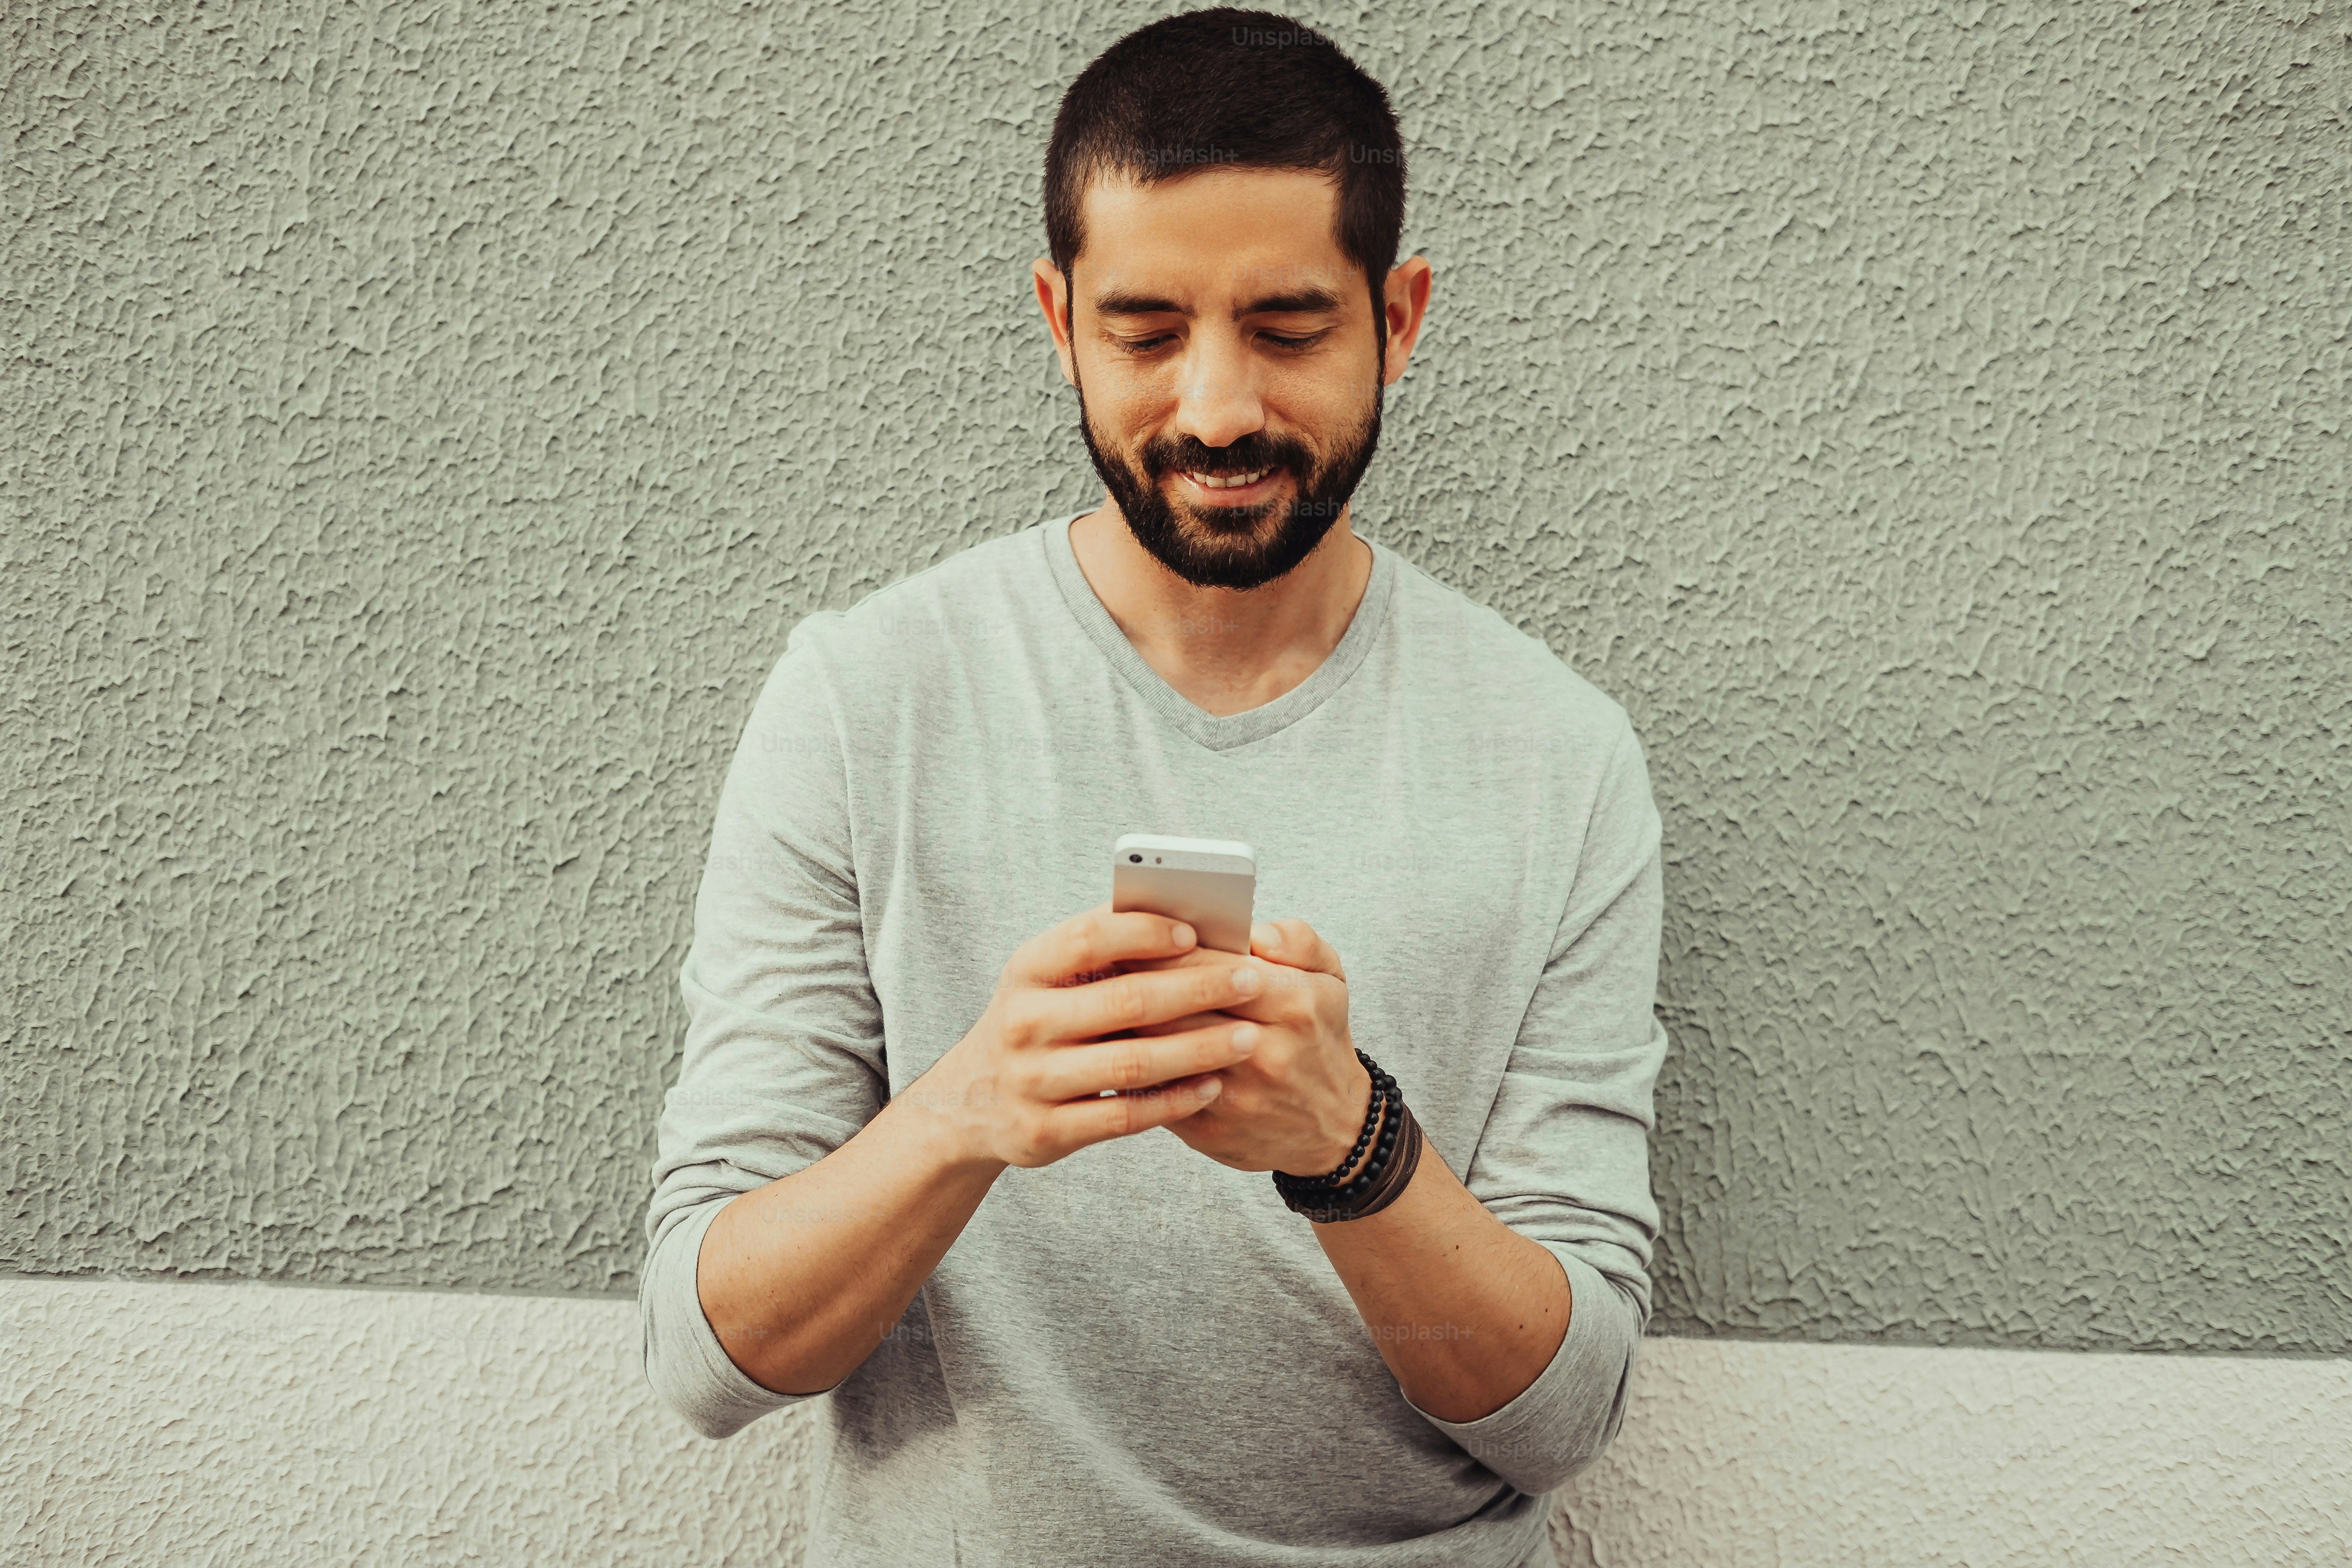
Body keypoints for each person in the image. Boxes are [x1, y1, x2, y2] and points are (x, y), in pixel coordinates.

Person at [639, 10, 1669, 1565]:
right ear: (1056, 319)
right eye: (1144, 331)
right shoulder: (866, 700)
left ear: (1401, 317)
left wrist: (1354, 1144)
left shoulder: (1560, 755)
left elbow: (1561, 1414)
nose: (1216, 409)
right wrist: (968, 1113)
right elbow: (707, 1358)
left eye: (1288, 326)